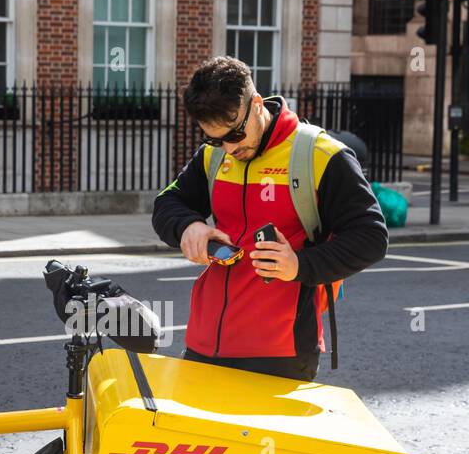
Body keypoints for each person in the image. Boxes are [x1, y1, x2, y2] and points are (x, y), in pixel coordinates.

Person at [152, 56, 388, 383]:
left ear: (257, 104)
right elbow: (167, 203)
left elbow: (371, 237)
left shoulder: (321, 154)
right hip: (203, 342)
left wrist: (299, 264)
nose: (229, 148)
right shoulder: (215, 155)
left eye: (235, 134)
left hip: (280, 351)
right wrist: (187, 226)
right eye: (215, 138)